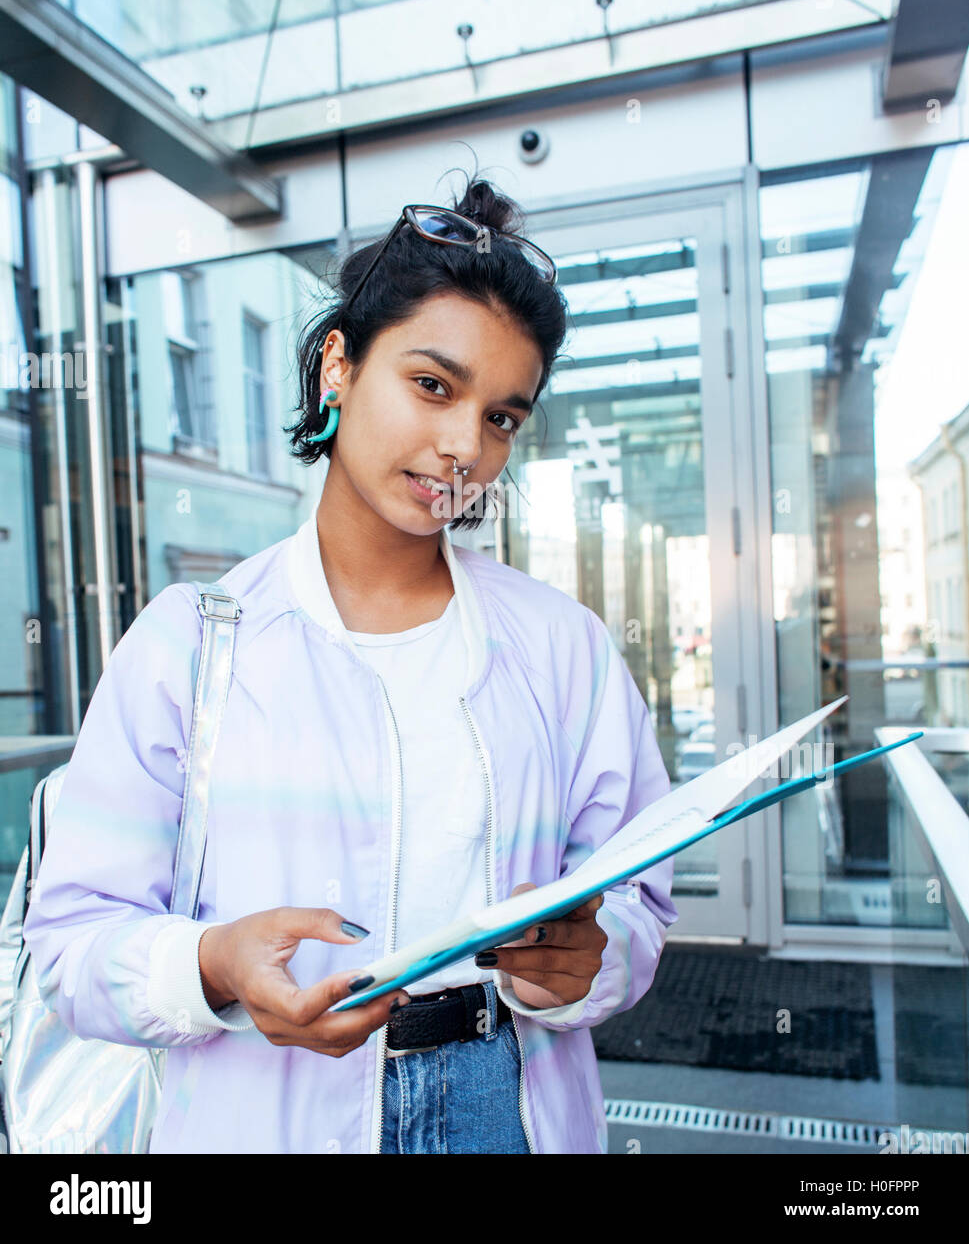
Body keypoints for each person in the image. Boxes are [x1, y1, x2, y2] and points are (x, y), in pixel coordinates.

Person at [22, 169, 678, 1154]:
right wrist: (213, 962)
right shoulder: (188, 643)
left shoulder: (561, 646)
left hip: (505, 1104)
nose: (464, 446)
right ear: (338, 365)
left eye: (501, 415)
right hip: (262, 1109)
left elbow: (636, 899)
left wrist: (593, 958)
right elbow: (69, 947)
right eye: (432, 384)